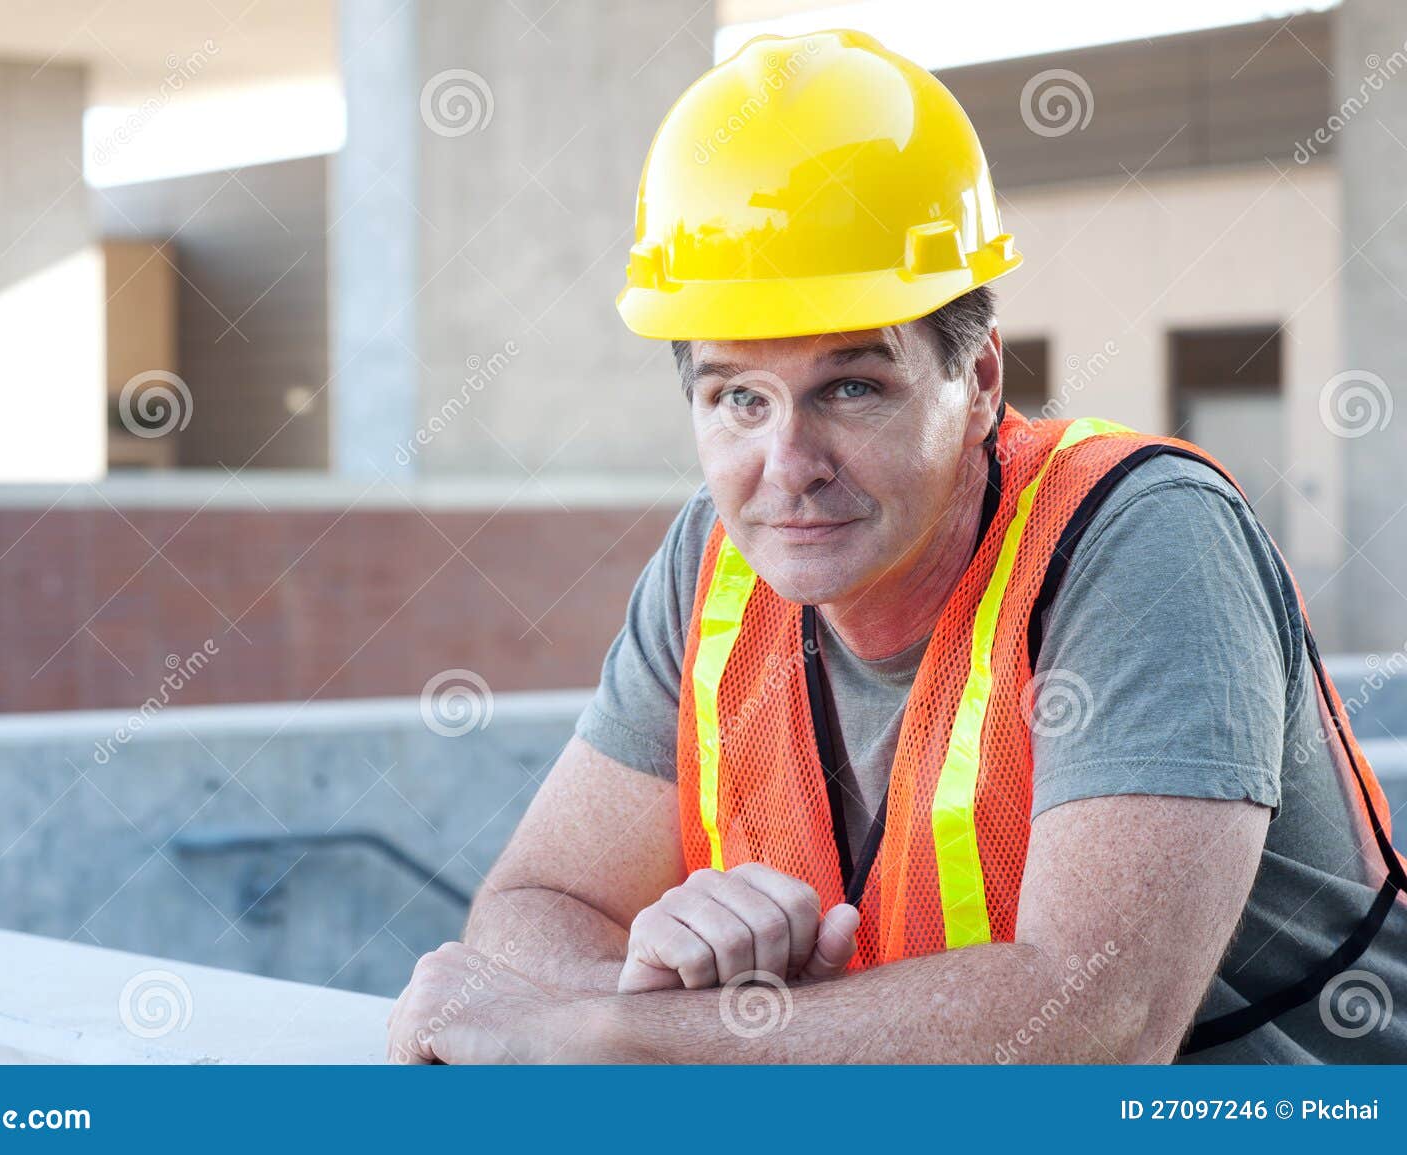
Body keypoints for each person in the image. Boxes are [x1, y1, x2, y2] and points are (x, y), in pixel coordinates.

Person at [387, 28, 1407, 1064]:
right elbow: (532, 907)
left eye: (852, 388)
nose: (787, 463)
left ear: (979, 384)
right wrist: (672, 994)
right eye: (737, 396)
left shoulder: (1143, 535)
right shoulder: (716, 566)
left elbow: (1096, 1024)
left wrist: (636, 1035)